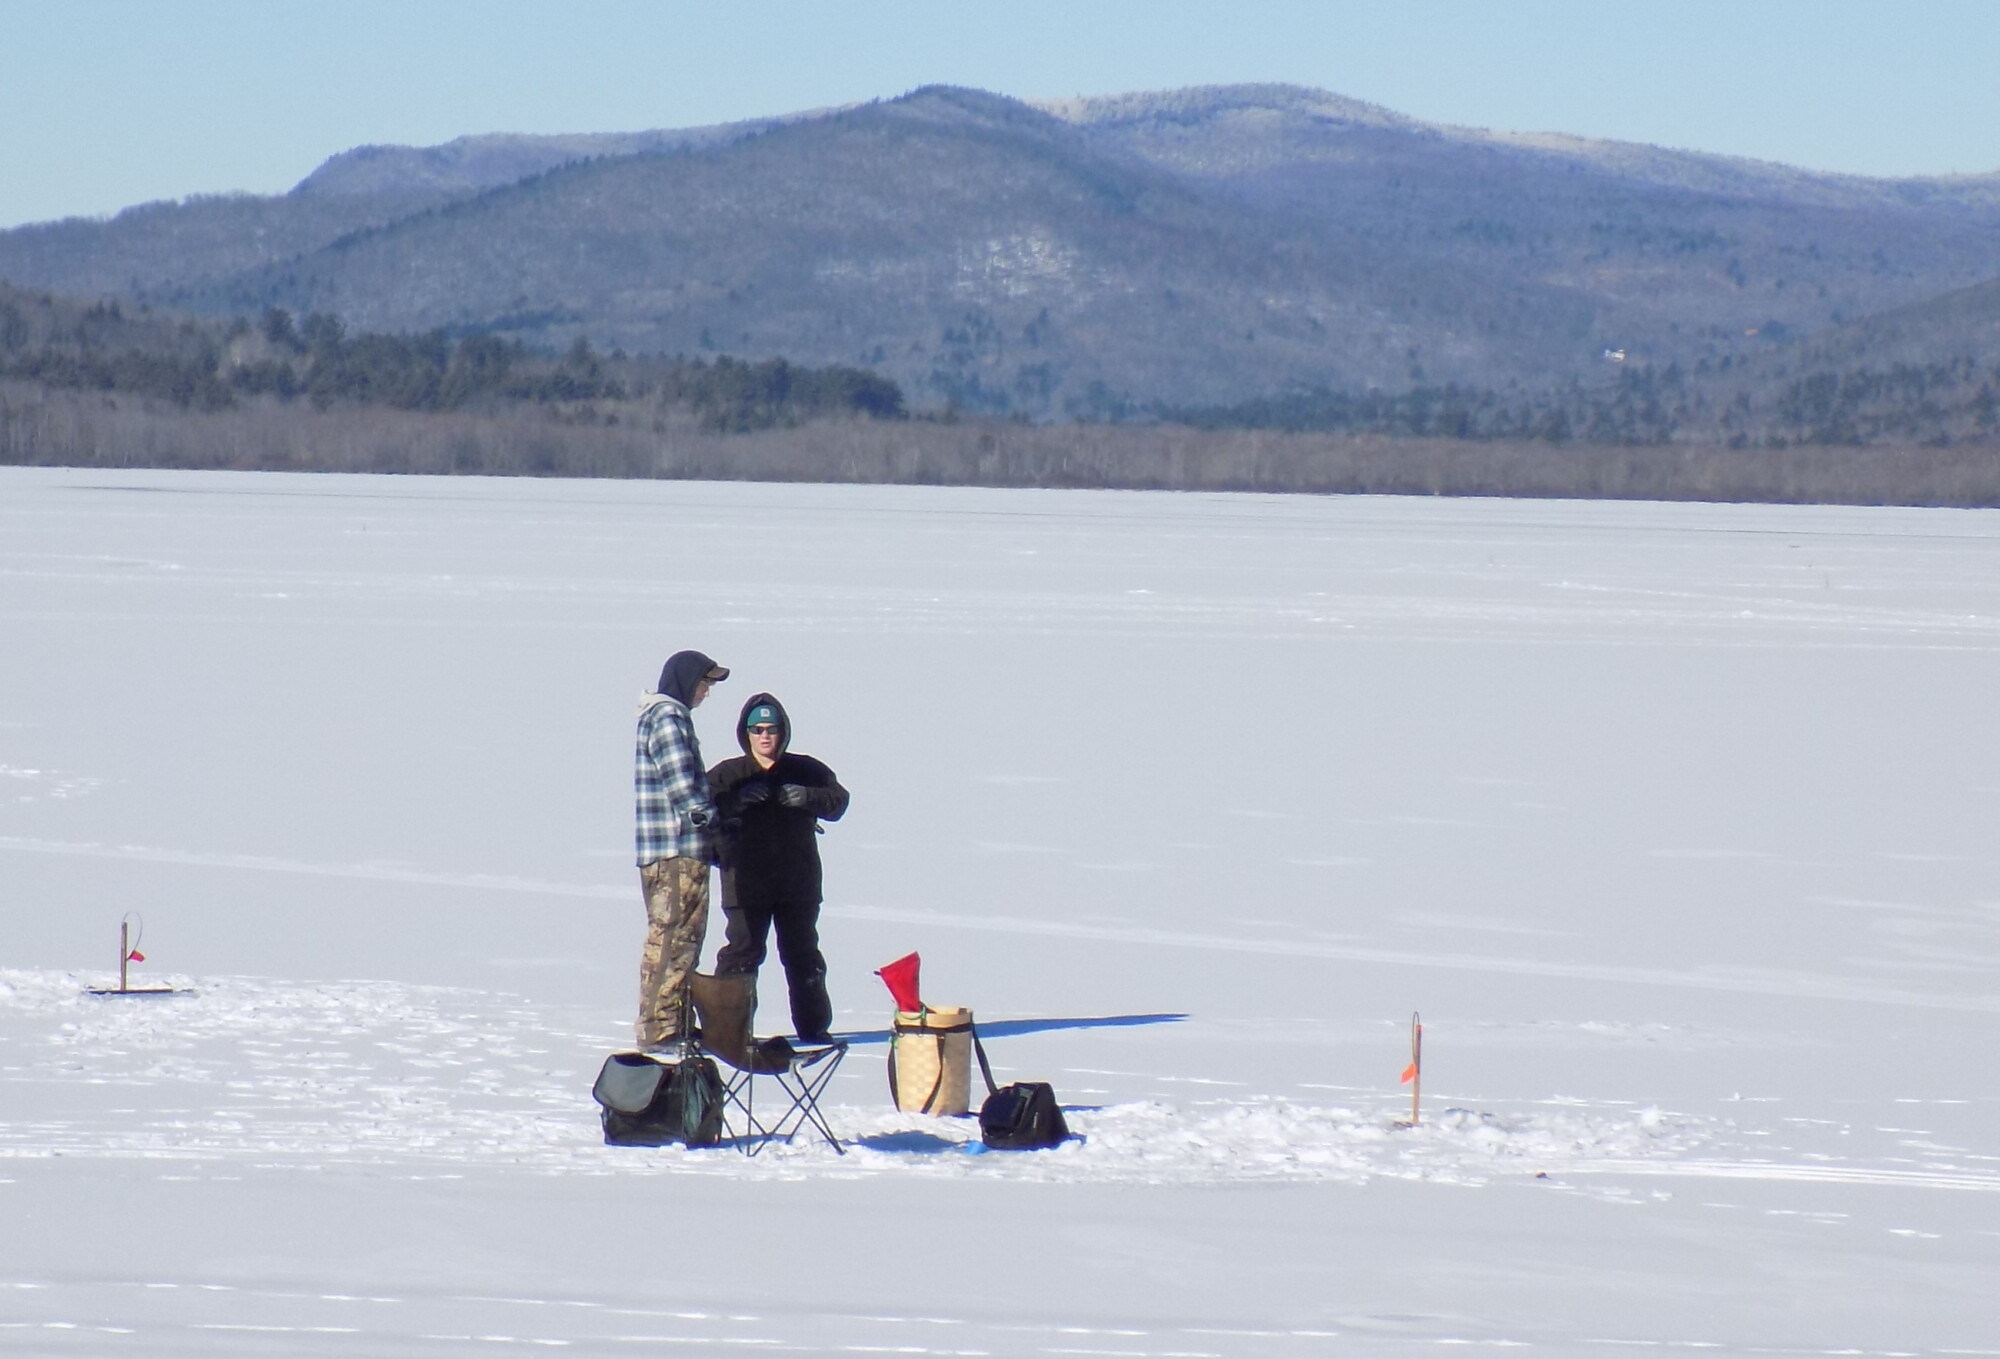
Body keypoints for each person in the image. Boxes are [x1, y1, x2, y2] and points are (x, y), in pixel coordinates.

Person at [708, 693, 850, 1042]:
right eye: (757, 729)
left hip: (797, 883)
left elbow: (838, 801)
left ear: (783, 731)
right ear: (746, 734)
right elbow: (700, 815)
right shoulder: (728, 774)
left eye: (772, 729)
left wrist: (808, 797)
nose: (765, 736)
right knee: (741, 957)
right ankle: (728, 1033)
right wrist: (734, 803)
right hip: (745, 884)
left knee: (803, 955)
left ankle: (814, 1029)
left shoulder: (806, 770)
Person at [633, 649, 729, 1050]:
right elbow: (682, 787)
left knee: (683, 938)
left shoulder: (662, 717)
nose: (706, 693)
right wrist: (713, 822)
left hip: (670, 850)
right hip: (676, 850)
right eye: (705, 684)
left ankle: (676, 1020)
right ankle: (660, 1027)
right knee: (673, 937)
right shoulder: (669, 717)